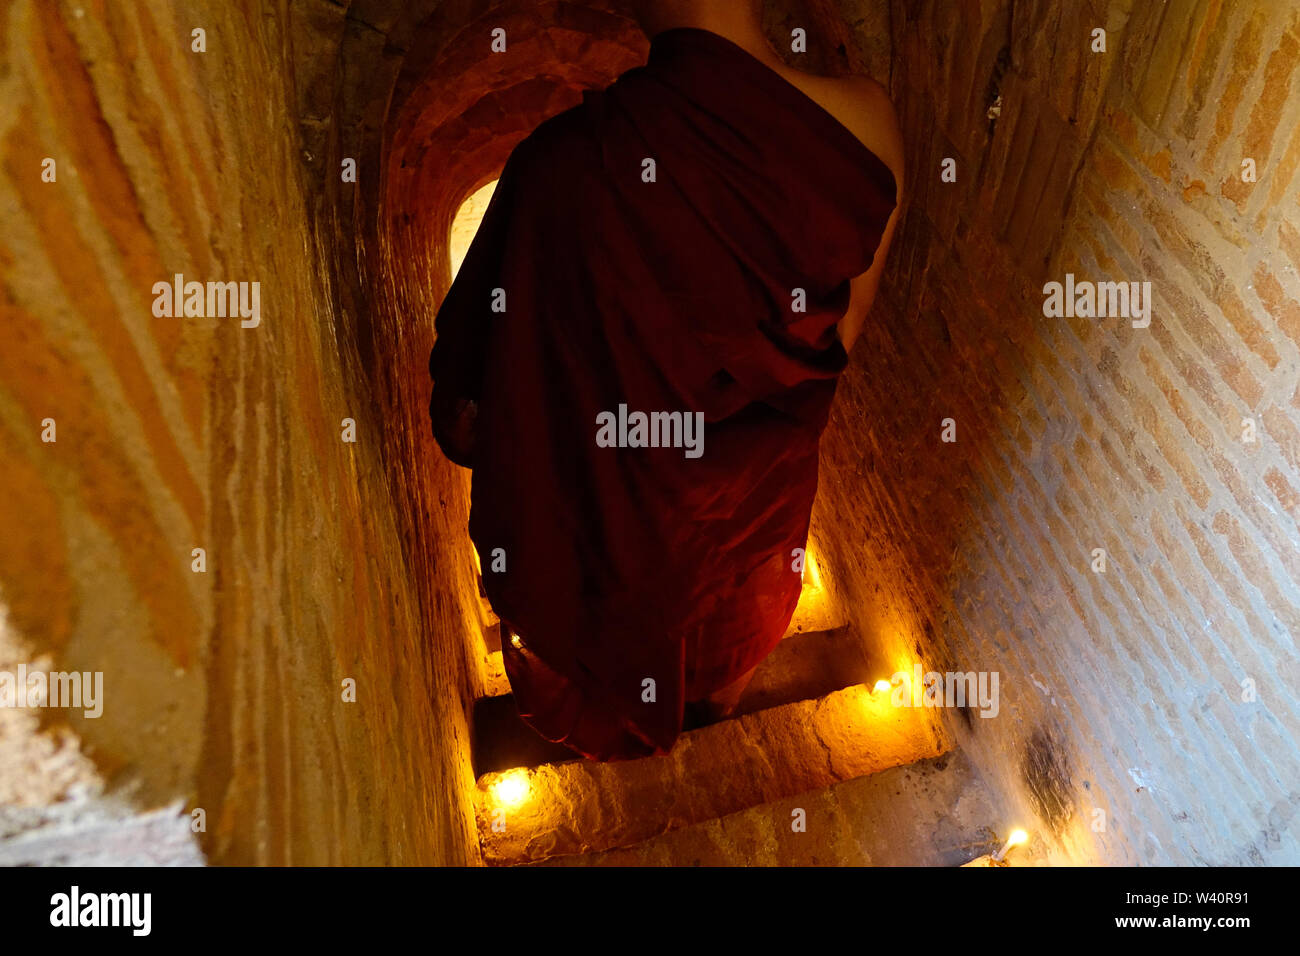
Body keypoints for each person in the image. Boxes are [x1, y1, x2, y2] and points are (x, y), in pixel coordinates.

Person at [429, 0, 903, 761]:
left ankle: (655, 712)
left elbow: (473, 396)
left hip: (610, 545)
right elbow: (839, 341)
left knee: (640, 626)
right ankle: (718, 711)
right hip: (754, 513)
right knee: (735, 630)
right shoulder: (868, 122)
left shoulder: (556, 168)